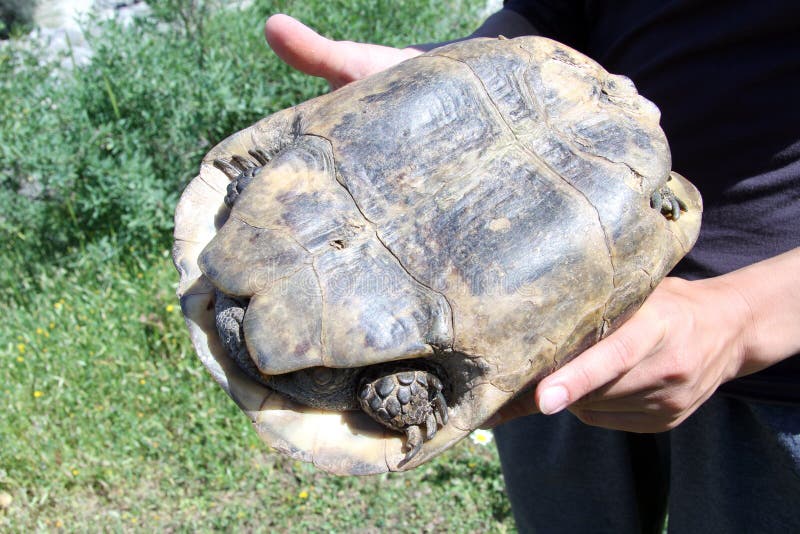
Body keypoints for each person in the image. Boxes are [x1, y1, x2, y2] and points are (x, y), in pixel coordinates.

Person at [263, 4, 800, 532]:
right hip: (511, 301)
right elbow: (548, 12)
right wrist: (455, 79)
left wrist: (744, 318)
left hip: (775, 366)